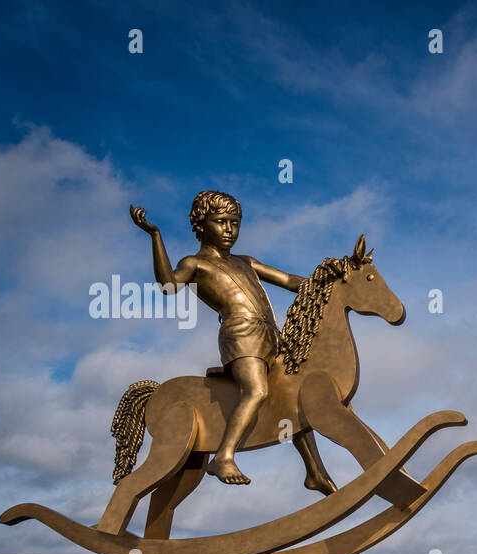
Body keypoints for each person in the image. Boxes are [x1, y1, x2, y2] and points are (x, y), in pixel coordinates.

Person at [129, 192, 336, 492]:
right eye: (221, 222)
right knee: (256, 390)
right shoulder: (194, 264)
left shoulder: (246, 262)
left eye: (235, 223)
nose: (229, 229)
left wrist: (326, 278)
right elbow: (167, 285)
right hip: (240, 334)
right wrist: (155, 236)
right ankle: (224, 456)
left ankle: (315, 472)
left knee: (293, 396)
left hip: (269, 336)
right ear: (202, 225)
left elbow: (291, 281)